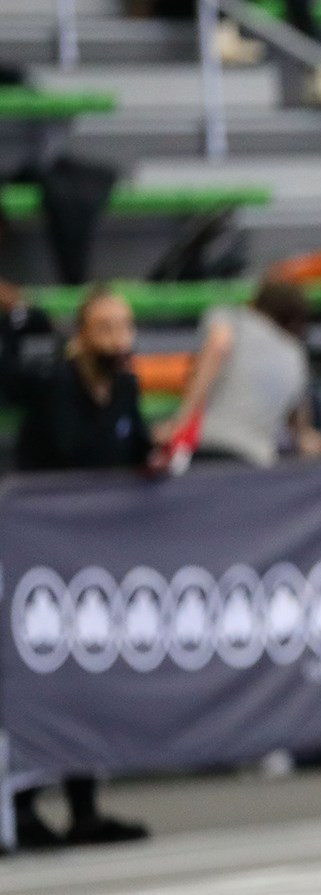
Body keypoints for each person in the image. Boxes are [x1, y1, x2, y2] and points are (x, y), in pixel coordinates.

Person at [2, 288, 152, 849]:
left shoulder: (128, 387)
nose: (119, 339)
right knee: (34, 677)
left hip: (97, 557)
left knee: (85, 676)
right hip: (39, 556)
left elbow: (134, 448)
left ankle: (84, 809)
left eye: (126, 326)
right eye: (106, 328)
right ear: (82, 335)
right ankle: (18, 807)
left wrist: (157, 454)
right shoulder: (53, 385)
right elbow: (66, 454)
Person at [157, 279, 321, 467]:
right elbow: (301, 428)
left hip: (213, 443)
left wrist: (182, 420)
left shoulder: (232, 317)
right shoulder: (296, 355)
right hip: (257, 462)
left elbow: (218, 346)